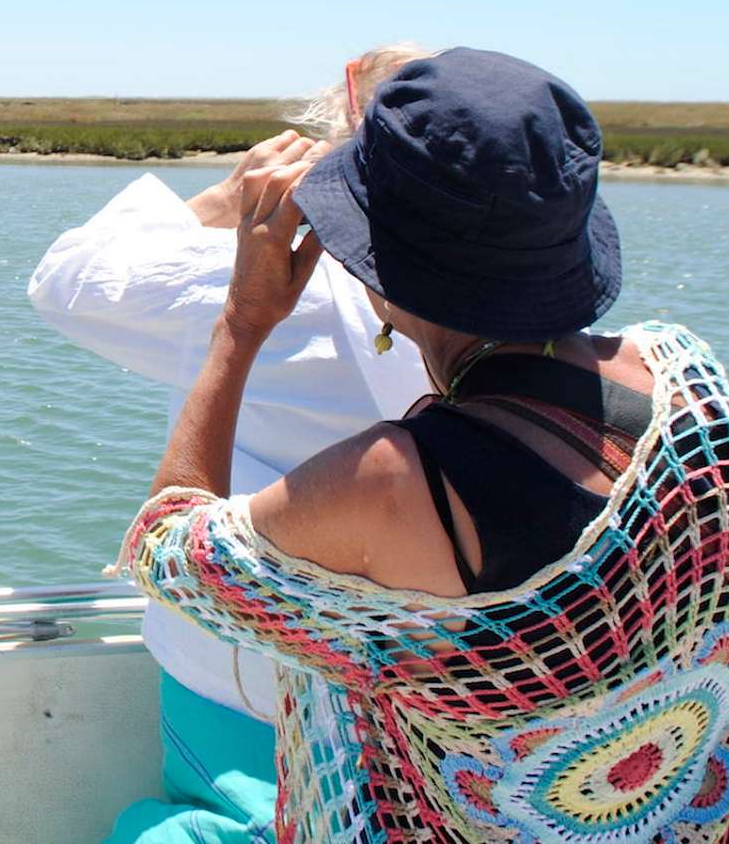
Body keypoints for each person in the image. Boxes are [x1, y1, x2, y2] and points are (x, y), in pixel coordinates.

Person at [111, 48, 729, 842]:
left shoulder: (394, 482)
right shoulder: (689, 376)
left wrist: (241, 323)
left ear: (380, 275)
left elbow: (166, 553)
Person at [28, 46, 435, 839]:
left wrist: (224, 204)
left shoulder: (276, 288)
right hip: (441, 704)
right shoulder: (577, 339)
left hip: (246, 693)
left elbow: (65, 281)